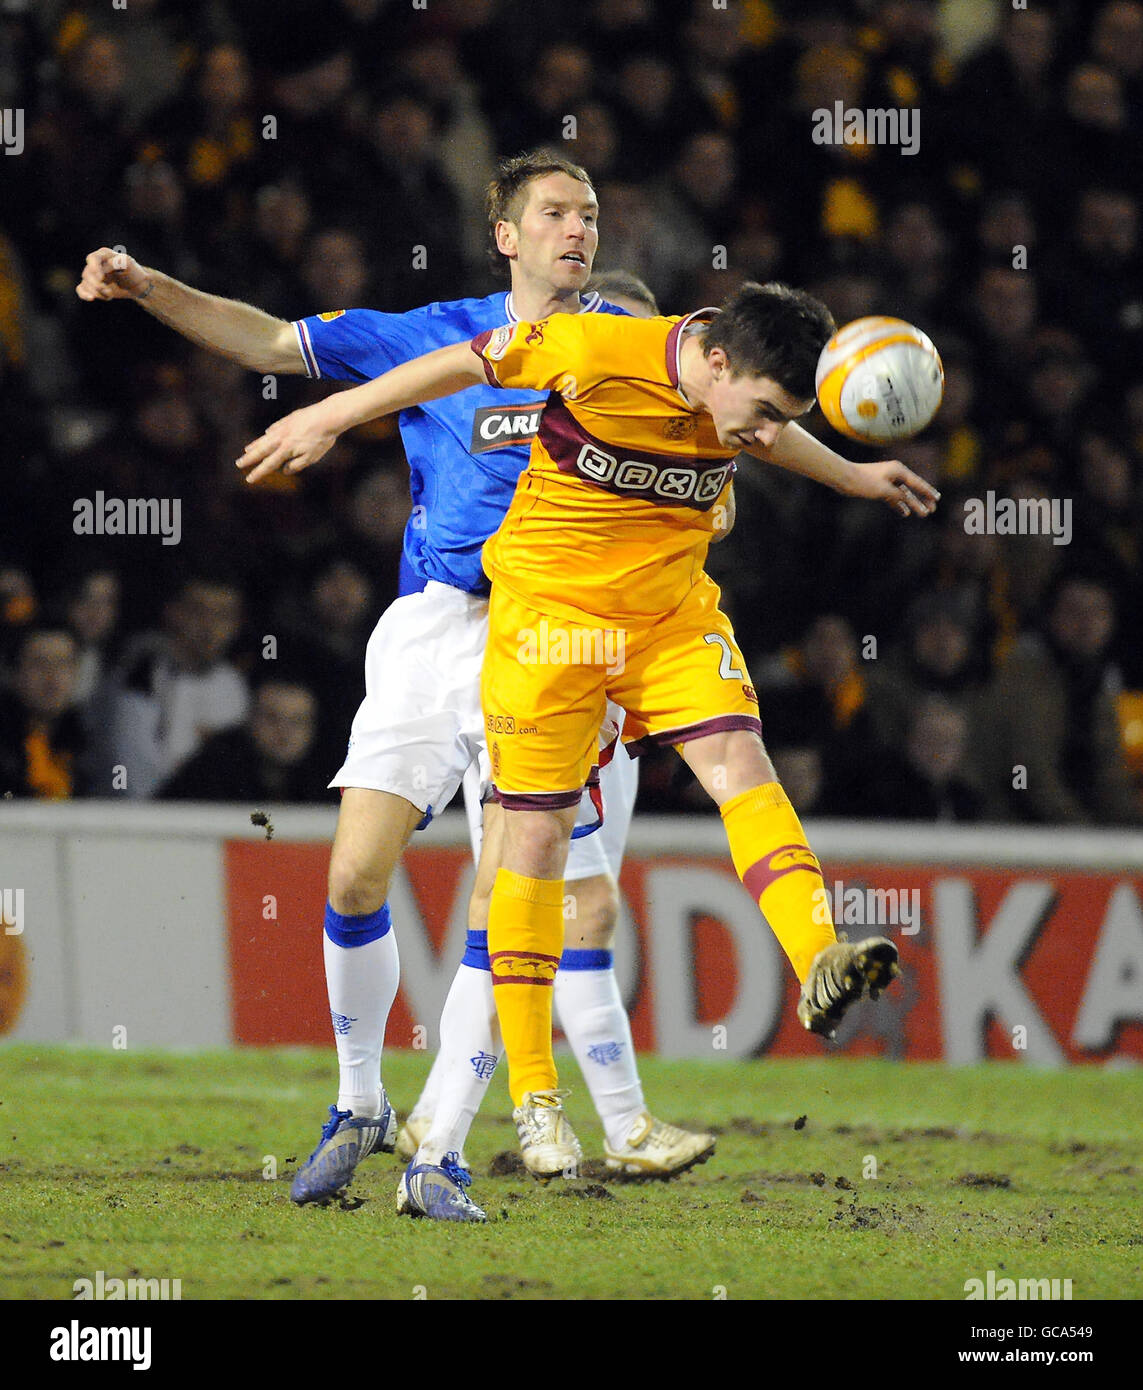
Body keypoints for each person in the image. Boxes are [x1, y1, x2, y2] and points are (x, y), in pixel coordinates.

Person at [77, 151, 714, 1224]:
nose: (579, 229)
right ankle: (362, 1102)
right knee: (354, 875)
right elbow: (279, 342)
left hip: (549, 642)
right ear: (506, 234)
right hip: (426, 631)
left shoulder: (629, 360)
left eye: (592, 214)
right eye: (556, 212)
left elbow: (727, 449)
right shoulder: (436, 332)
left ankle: (445, 1153)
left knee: (503, 890)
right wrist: (150, 287)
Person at [237, 279, 941, 1218]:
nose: (766, 437)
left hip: (665, 619)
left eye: (785, 420)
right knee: (529, 850)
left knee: (740, 763)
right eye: (764, 415)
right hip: (546, 628)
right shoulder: (596, 349)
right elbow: (458, 362)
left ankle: (817, 950)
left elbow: (774, 430)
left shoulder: (742, 403)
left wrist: (853, 475)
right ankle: (533, 1102)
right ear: (715, 363)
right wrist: (332, 413)